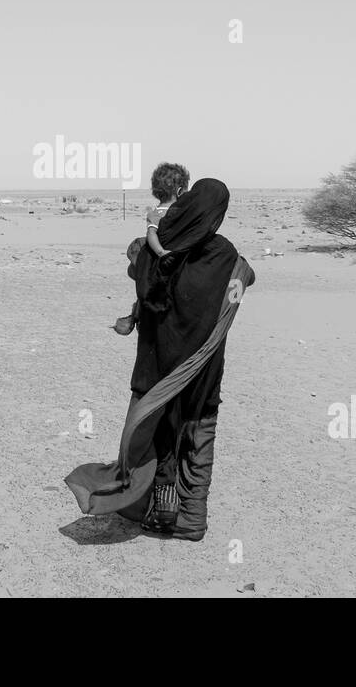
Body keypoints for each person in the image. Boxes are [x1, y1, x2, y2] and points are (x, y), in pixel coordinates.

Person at [67, 178, 254, 541]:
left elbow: (134, 259)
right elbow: (242, 280)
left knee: (157, 438)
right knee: (199, 438)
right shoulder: (225, 255)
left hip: (157, 368)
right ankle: (192, 519)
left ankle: (150, 510)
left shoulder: (155, 253)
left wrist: (155, 229)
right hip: (202, 369)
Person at [112, 162, 189, 336]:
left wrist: (160, 251)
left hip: (159, 257)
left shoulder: (155, 212)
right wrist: (163, 253)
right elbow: (152, 234)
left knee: (146, 290)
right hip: (168, 258)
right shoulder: (179, 212)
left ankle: (135, 315)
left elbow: (151, 234)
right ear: (179, 192)